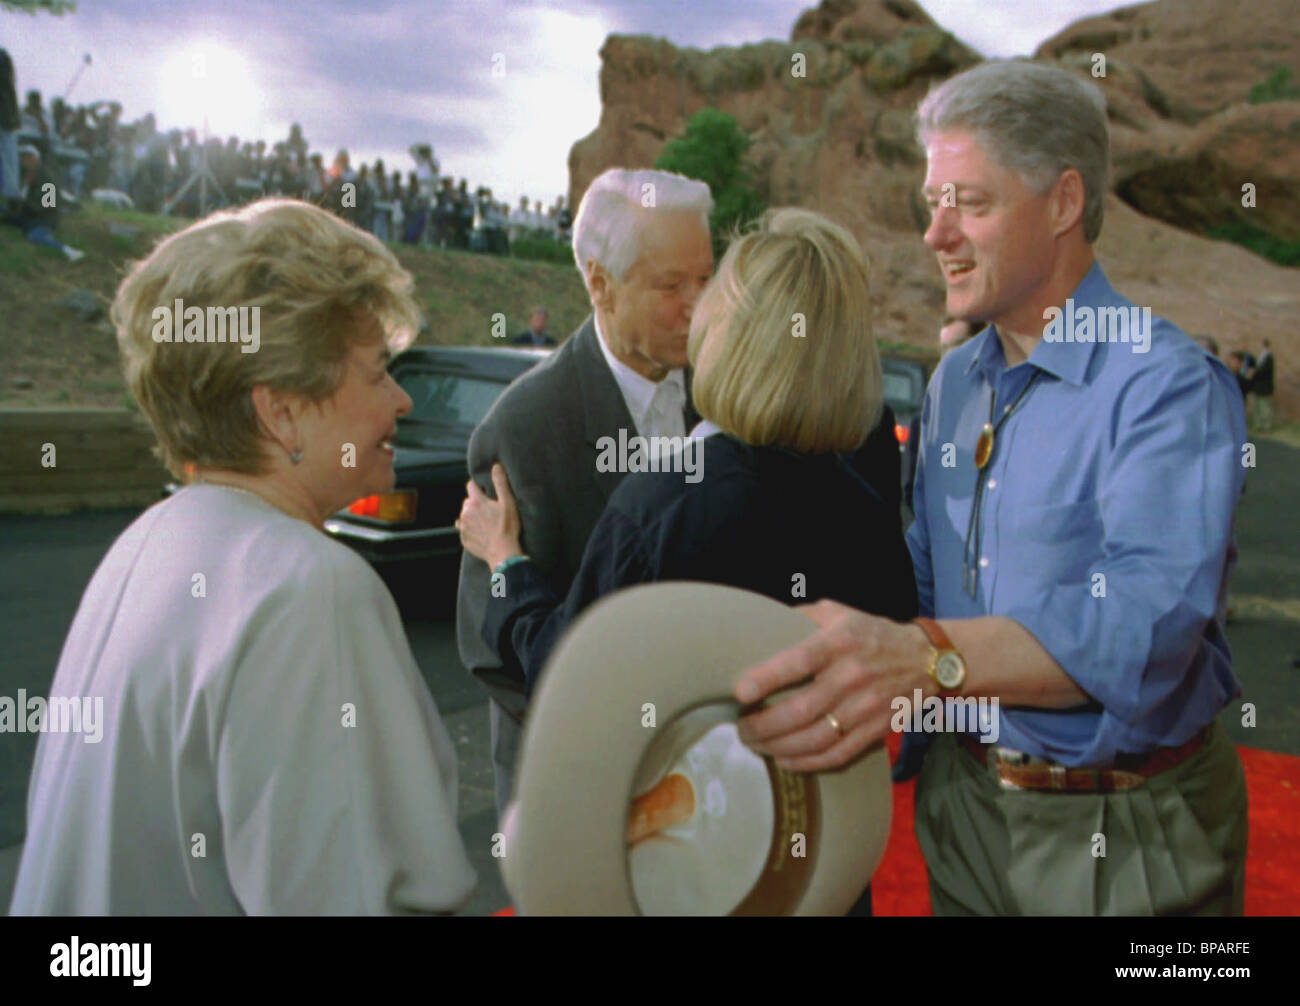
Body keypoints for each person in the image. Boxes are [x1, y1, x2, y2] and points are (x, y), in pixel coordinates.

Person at [732, 60, 1249, 917]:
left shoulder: (1169, 385)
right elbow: (925, 578)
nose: (937, 234)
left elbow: (1147, 628)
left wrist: (922, 657)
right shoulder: (952, 384)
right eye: (932, 204)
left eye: (970, 203)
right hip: (962, 808)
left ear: (1064, 203)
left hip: (1128, 838)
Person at [10, 198, 475, 915]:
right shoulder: (308, 590)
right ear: (281, 410)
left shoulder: (147, 543)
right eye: (379, 371)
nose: (403, 401)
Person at [458, 208, 912, 916]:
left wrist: (506, 563)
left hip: (691, 862)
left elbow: (567, 669)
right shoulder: (866, 508)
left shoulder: (664, 504)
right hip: (815, 863)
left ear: (731, 334)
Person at [456, 168, 713, 825]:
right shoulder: (524, 428)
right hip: (577, 793)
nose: (697, 305)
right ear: (598, 282)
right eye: (670, 285)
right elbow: (492, 648)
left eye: (705, 280)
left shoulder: (723, 393)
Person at [4, 144, 85, 262]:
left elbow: (48, 205)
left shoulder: (46, 178)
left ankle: (68, 251)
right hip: (29, 214)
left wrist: (24, 203)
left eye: (28, 157)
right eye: (23, 158)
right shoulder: (25, 175)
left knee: (34, 236)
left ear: (36, 159)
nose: (25, 161)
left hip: (45, 219)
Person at [1250, 338, 1274, 433]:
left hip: (1264, 387)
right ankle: (1258, 425)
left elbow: (1264, 372)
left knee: (1264, 407)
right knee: (1257, 407)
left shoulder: (1269, 358)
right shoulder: (1261, 357)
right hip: (1258, 387)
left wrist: (1255, 374)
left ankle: (1266, 426)